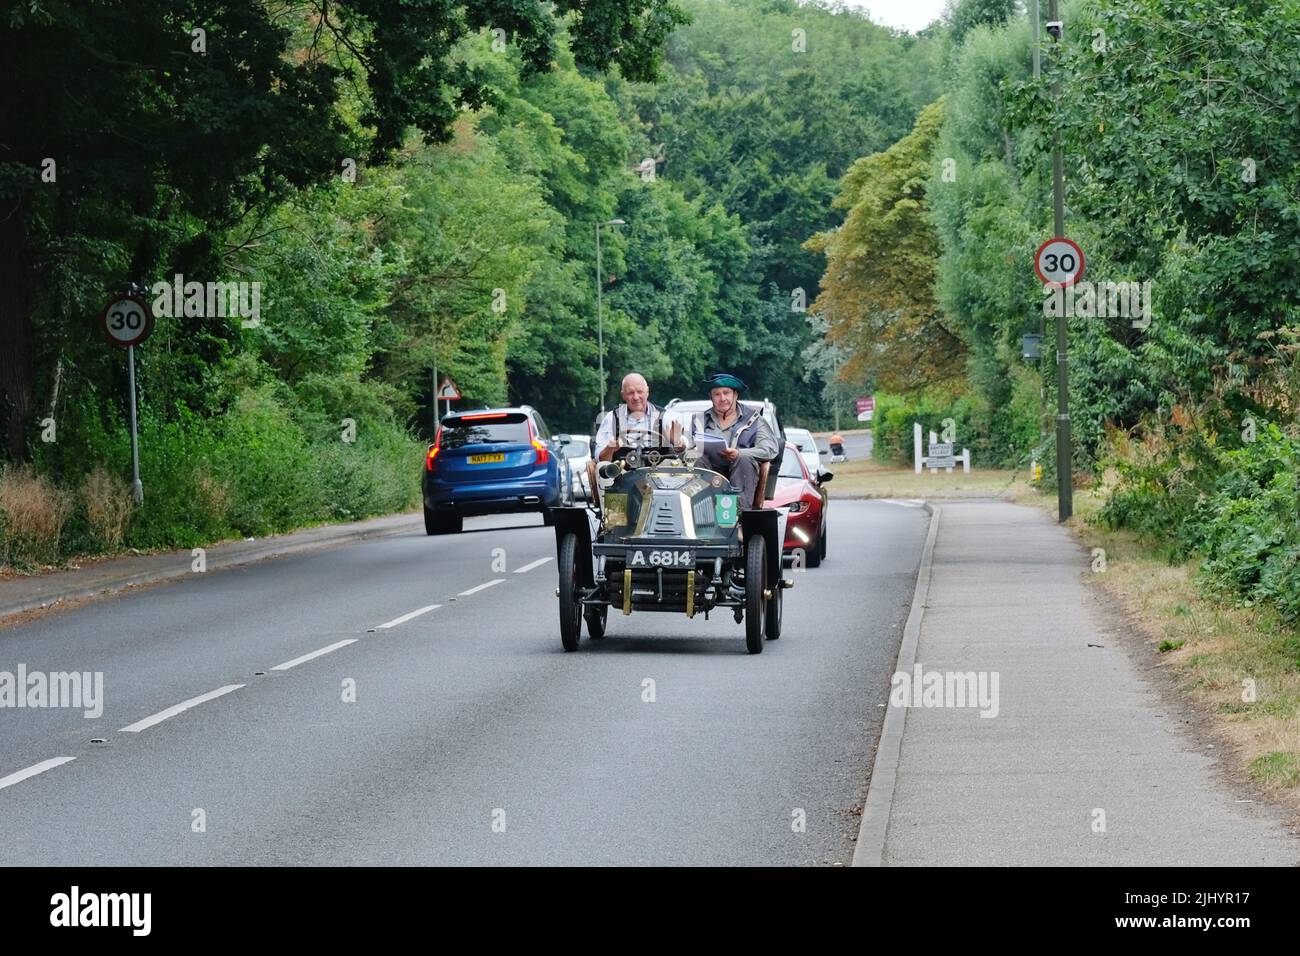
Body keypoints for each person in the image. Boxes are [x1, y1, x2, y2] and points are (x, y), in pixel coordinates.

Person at [688, 372, 778, 506]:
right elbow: (688, 452)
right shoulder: (699, 420)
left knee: (744, 459)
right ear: (711, 397)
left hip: (742, 474)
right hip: (709, 473)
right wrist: (680, 446)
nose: (722, 398)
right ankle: (701, 512)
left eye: (726, 393)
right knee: (698, 458)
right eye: (717, 394)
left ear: (735, 395)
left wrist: (740, 453)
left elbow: (769, 449)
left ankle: (739, 516)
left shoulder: (754, 419)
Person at [593, 372, 675, 462]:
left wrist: (678, 442)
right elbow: (599, 458)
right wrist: (610, 448)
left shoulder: (665, 417)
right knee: (603, 467)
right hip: (622, 472)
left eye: (640, 392)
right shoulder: (611, 418)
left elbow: (684, 449)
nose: (636, 397)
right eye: (630, 393)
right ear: (623, 395)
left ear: (647, 392)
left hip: (659, 472)